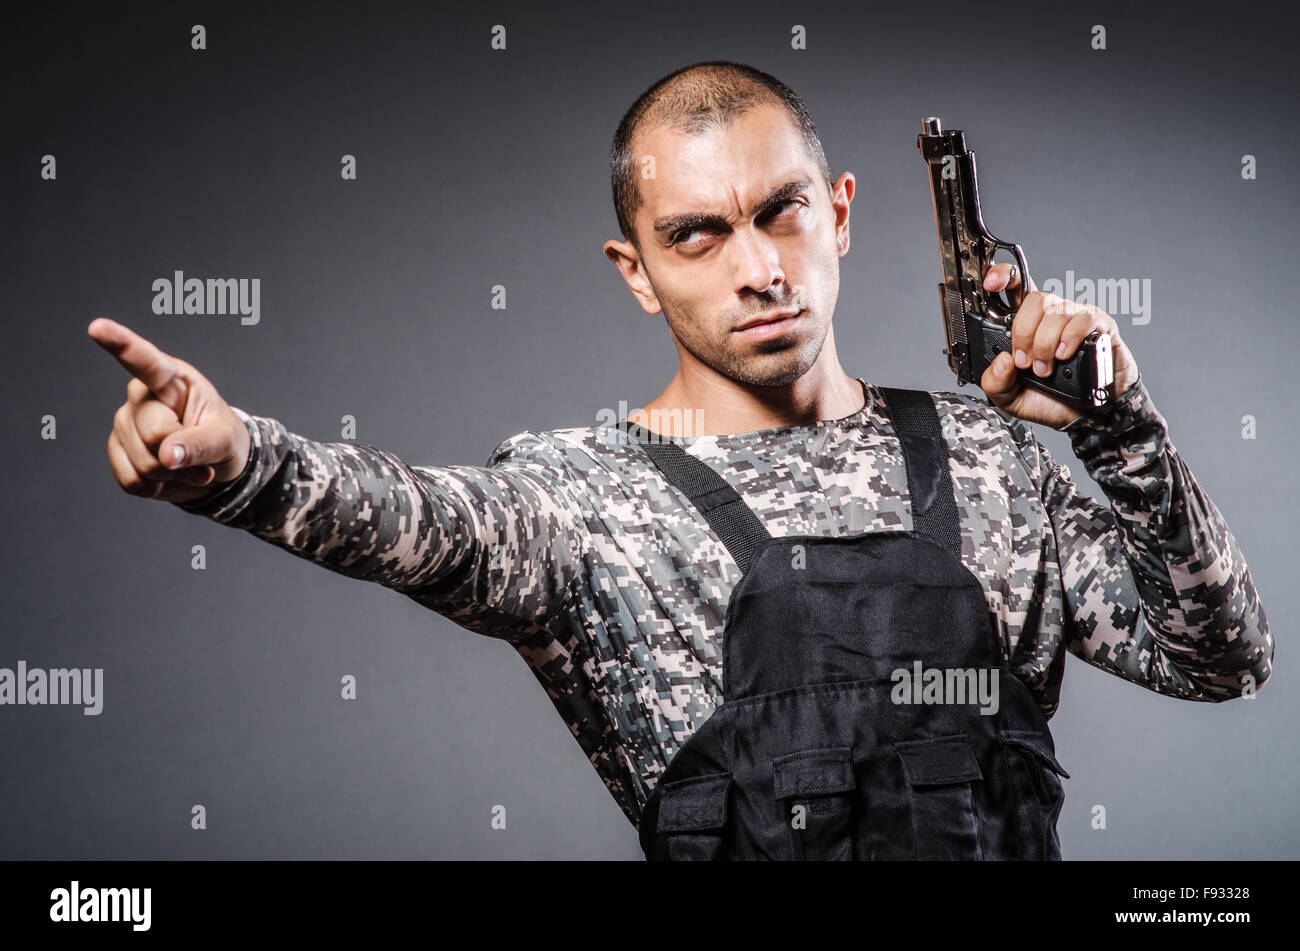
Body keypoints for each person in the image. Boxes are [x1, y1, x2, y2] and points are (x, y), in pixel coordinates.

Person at [89, 60, 1273, 858]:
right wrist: (240, 460)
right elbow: (411, 514)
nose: (756, 266)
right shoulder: (584, 503)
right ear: (635, 269)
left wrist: (1124, 425)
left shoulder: (986, 456)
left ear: (842, 212)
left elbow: (1221, 659)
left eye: (782, 211)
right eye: (697, 234)